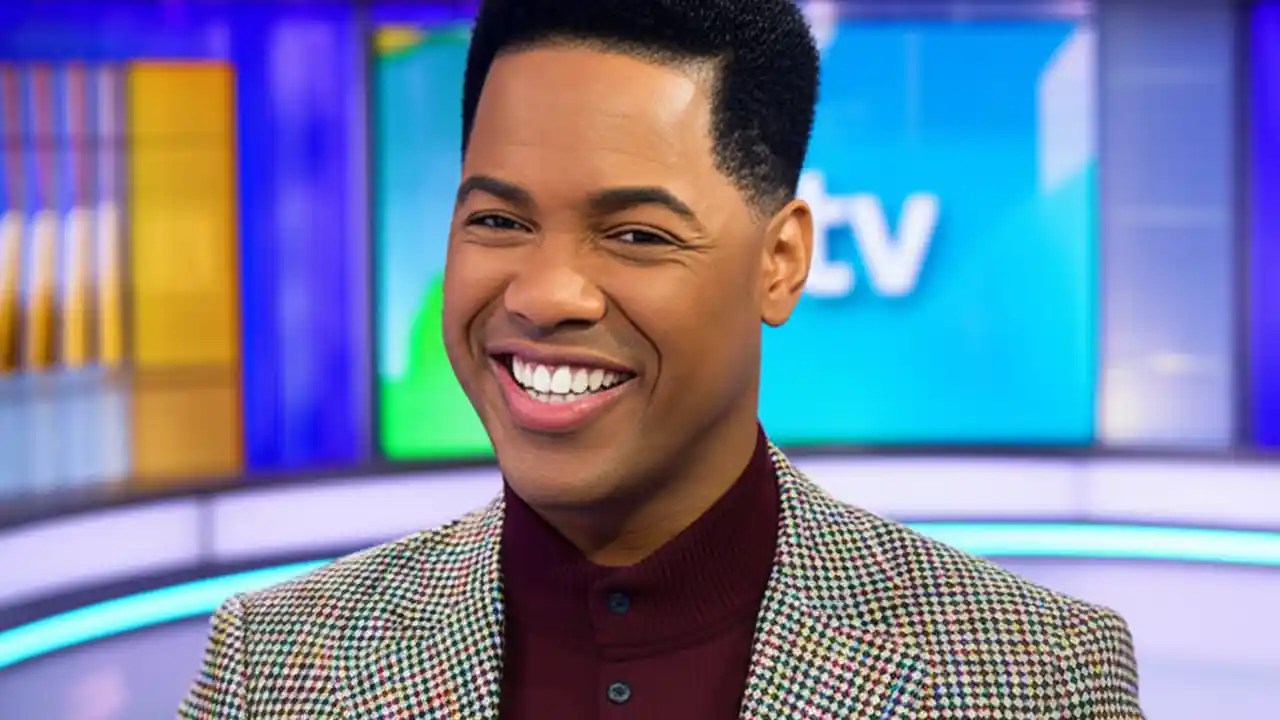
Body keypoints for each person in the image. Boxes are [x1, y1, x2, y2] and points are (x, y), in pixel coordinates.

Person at [180, 0, 1144, 717]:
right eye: (498, 219)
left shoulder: (1038, 674)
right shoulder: (276, 664)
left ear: (782, 261)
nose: (545, 294)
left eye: (637, 235)